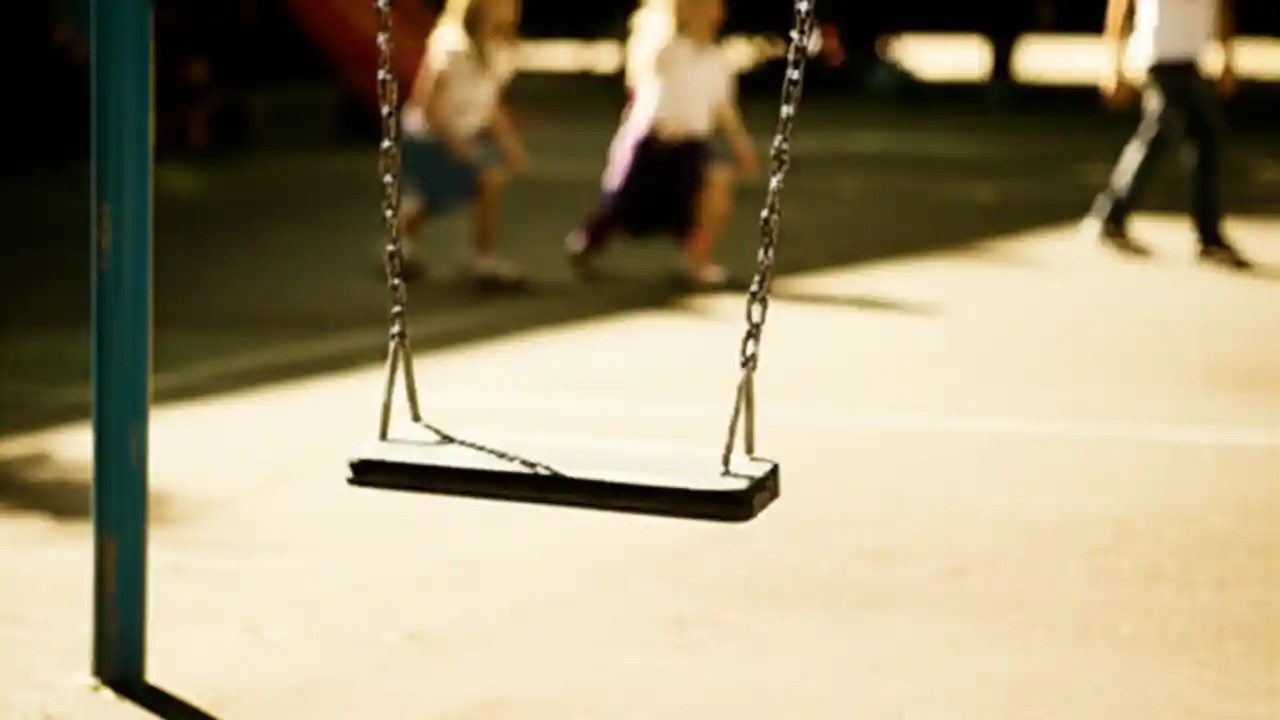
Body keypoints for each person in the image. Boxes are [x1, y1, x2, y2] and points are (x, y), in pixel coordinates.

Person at [565, 0, 761, 288]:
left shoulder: (717, 60)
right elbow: (644, 61)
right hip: (652, 143)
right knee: (621, 207)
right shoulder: (665, 47)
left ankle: (694, 261)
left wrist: (742, 146)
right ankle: (587, 244)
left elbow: (722, 107)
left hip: (693, 145)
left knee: (715, 187)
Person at [1083, 0, 1252, 270]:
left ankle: (1114, 216)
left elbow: (1221, 9)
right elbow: (1120, 7)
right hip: (1159, 59)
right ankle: (1206, 237)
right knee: (1176, 134)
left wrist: (1227, 57)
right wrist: (1113, 63)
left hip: (1190, 61)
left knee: (1181, 139)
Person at [394, 0, 531, 286]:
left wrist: (510, 145)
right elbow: (427, 103)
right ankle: (483, 260)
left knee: (434, 198)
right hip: (428, 137)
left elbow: (491, 105)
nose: (511, 9)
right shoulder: (451, 46)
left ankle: (402, 247)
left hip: (464, 134)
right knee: (485, 180)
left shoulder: (500, 49)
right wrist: (458, 146)